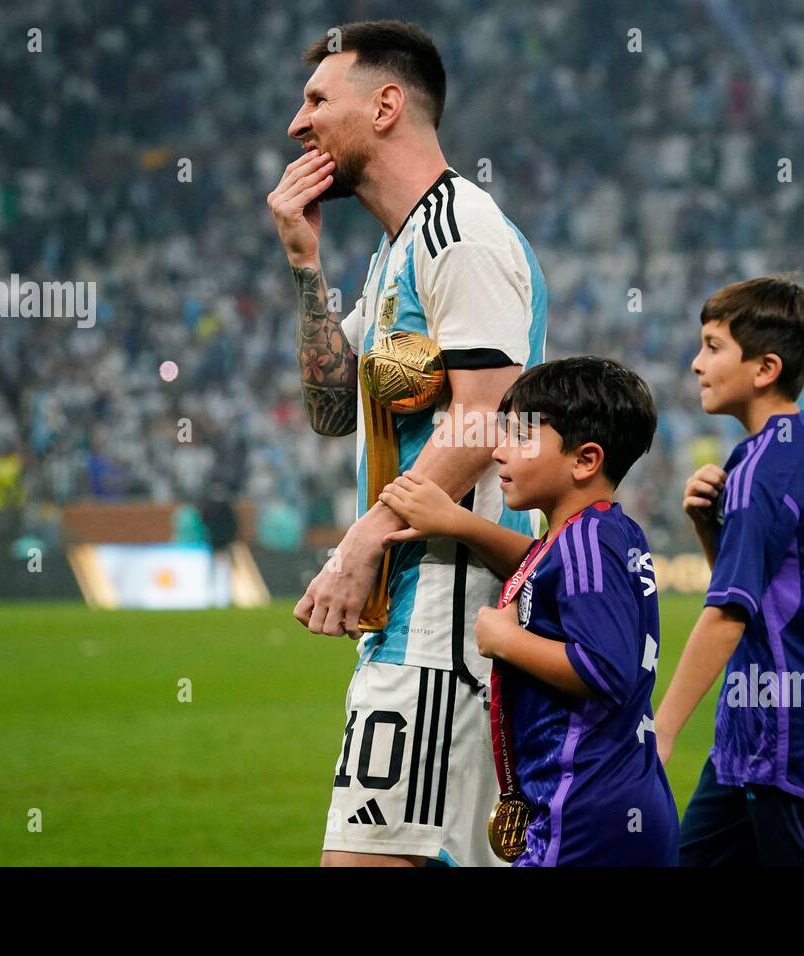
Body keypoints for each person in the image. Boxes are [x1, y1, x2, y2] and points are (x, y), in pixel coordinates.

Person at [267, 19, 547, 867]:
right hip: (418, 622)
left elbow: (482, 416)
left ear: (387, 104)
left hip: (448, 622)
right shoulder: (400, 251)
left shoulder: (461, 231)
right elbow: (331, 407)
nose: (297, 123)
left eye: (318, 98)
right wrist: (306, 265)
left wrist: (362, 541)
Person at [379, 357, 677, 866]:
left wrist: (505, 640)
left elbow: (605, 667)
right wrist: (458, 522)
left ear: (584, 460)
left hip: (581, 810)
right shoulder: (598, 532)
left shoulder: (588, 542)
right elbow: (537, 566)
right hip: (611, 799)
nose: (498, 450)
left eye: (520, 436)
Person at [654, 276, 804, 866]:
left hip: (787, 727)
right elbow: (766, 595)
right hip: (754, 724)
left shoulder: (763, 466)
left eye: (713, 347)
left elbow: (727, 614)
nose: (697, 364)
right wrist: (707, 530)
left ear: (765, 367)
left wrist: (661, 731)